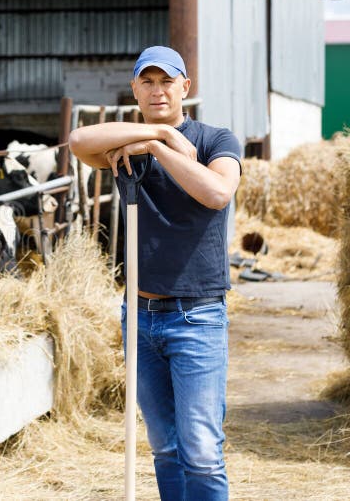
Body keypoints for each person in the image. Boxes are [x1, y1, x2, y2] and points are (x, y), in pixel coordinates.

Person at [69, 45, 242, 501]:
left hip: (197, 317)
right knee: (164, 446)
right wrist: (157, 136)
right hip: (140, 317)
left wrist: (160, 149)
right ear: (135, 89)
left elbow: (217, 193)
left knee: (201, 451)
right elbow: (78, 141)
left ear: (185, 87)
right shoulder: (124, 146)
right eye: (147, 82)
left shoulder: (216, 140)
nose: (157, 90)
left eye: (167, 81)